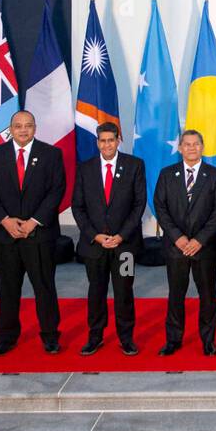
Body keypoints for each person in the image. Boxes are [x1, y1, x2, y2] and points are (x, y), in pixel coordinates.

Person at [0, 110, 65, 356]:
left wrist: (33, 222)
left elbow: (56, 191)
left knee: (44, 288)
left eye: (28, 125)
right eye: (18, 126)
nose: (23, 130)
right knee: (8, 289)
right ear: (11, 129)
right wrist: (5, 220)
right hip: (5, 235)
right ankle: (6, 338)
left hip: (38, 235)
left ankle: (50, 336)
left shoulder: (51, 154)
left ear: (35, 128)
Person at [70, 121, 146, 356]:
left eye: (111, 140)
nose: (107, 145)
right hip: (95, 246)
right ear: (97, 142)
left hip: (125, 248)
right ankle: (95, 336)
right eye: (102, 141)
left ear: (118, 140)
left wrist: (121, 236)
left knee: (124, 291)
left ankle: (126, 338)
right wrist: (96, 236)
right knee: (96, 291)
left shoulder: (134, 166)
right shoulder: (85, 168)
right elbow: (78, 207)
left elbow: (138, 205)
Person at [153, 129, 216, 357]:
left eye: (196, 144)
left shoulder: (215, 175)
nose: (192, 148)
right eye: (187, 144)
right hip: (176, 248)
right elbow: (161, 208)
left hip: (204, 248)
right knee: (176, 295)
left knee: (207, 295)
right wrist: (178, 237)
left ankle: (208, 340)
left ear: (202, 147)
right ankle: (173, 340)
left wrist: (198, 240)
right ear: (180, 148)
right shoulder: (167, 174)